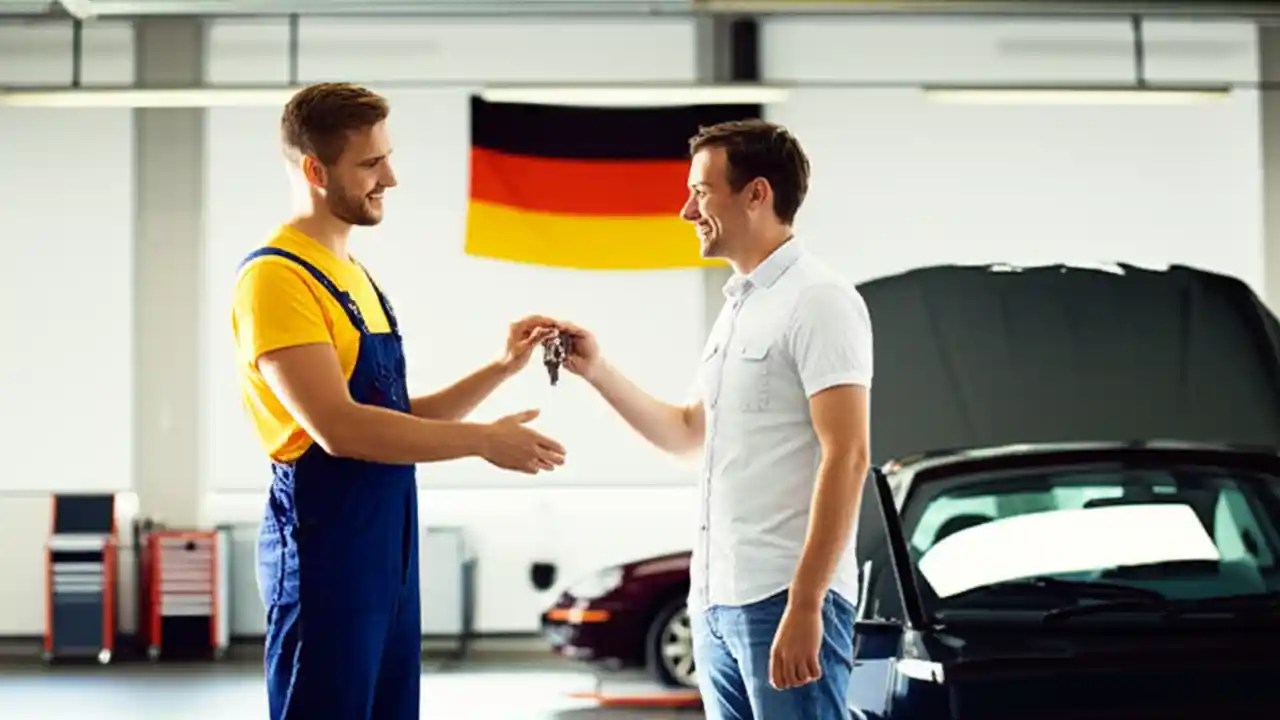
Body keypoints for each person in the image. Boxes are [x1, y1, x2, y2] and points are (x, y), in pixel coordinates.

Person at [229, 82, 567, 720]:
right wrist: (483, 441)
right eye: (370, 163)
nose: (391, 176)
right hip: (324, 555)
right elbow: (340, 427)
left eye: (388, 155)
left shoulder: (353, 274)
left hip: (386, 556)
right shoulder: (276, 279)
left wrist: (502, 367)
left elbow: (395, 418)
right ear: (313, 170)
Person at [554, 119, 872, 719]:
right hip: (716, 599)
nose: (685, 211)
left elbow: (848, 455)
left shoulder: (819, 300)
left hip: (783, 597)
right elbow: (686, 434)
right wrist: (597, 371)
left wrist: (806, 603)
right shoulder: (738, 310)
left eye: (701, 192)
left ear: (757, 194)